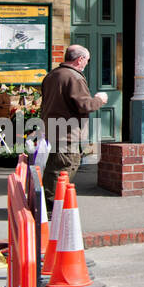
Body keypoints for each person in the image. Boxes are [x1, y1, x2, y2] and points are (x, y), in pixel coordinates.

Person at [39, 44, 107, 197]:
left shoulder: (52, 75)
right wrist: (99, 99)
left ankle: (47, 204)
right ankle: (51, 207)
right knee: (64, 169)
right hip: (68, 133)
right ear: (80, 59)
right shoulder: (74, 77)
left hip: (53, 129)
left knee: (55, 168)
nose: (86, 64)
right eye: (87, 60)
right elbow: (84, 105)